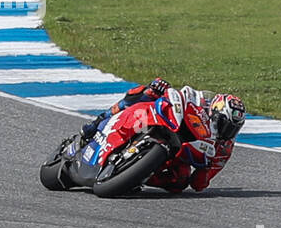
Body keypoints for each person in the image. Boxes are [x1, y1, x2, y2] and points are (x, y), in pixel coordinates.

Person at [80, 77, 247, 191]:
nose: (228, 131)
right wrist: (160, 89)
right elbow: (184, 95)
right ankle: (98, 122)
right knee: (144, 93)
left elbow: (199, 183)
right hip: (166, 122)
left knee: (181, 181)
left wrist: (204, 173)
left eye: (233, 128)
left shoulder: (225, 147)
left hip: (179, 153)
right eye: (225, 124)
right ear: (215, 112)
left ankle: (138, 178)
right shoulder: (202, 103)